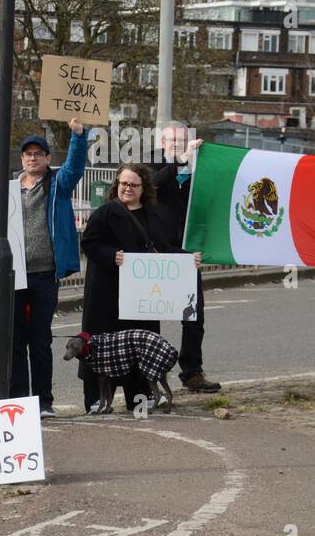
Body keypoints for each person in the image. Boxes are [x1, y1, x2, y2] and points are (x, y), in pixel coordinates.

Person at [78, 163, 175, 412]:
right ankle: (97, 400)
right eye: (123, 183)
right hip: (106, 294)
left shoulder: (155, 214)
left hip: (141, 296)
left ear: (144, 188)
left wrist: (189, 259)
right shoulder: (106, 212)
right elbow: (89, 243)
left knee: (138, 343)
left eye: (133, 184)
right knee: (102, 346)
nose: (127, 188)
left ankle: (139, 398)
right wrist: (112, 256)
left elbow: (166, 248)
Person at [10, 120, 88, 418]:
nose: (32, 158)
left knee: (40, 339)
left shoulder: (58, 185)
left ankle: (43, 402)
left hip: (45, 274)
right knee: (15, 341)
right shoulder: (8, 189)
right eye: (28, 154)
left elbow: (76, 167)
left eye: (38, 153)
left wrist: (78, 136)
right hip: (13, 276)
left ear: (47, 158)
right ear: (22, 160)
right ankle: (17, 399)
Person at [152, 121, 221, 393]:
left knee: (193, 317)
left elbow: (210, 206)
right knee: (147, 315)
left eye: (182, 141)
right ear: (162, 143)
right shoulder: (151, 166)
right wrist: (178, 163)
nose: (178, 145)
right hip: (155, 254)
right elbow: (151, 187)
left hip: (187, 254)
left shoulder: (197, 173)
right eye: (172, 141)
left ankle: (192, 372)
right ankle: (148, 374)